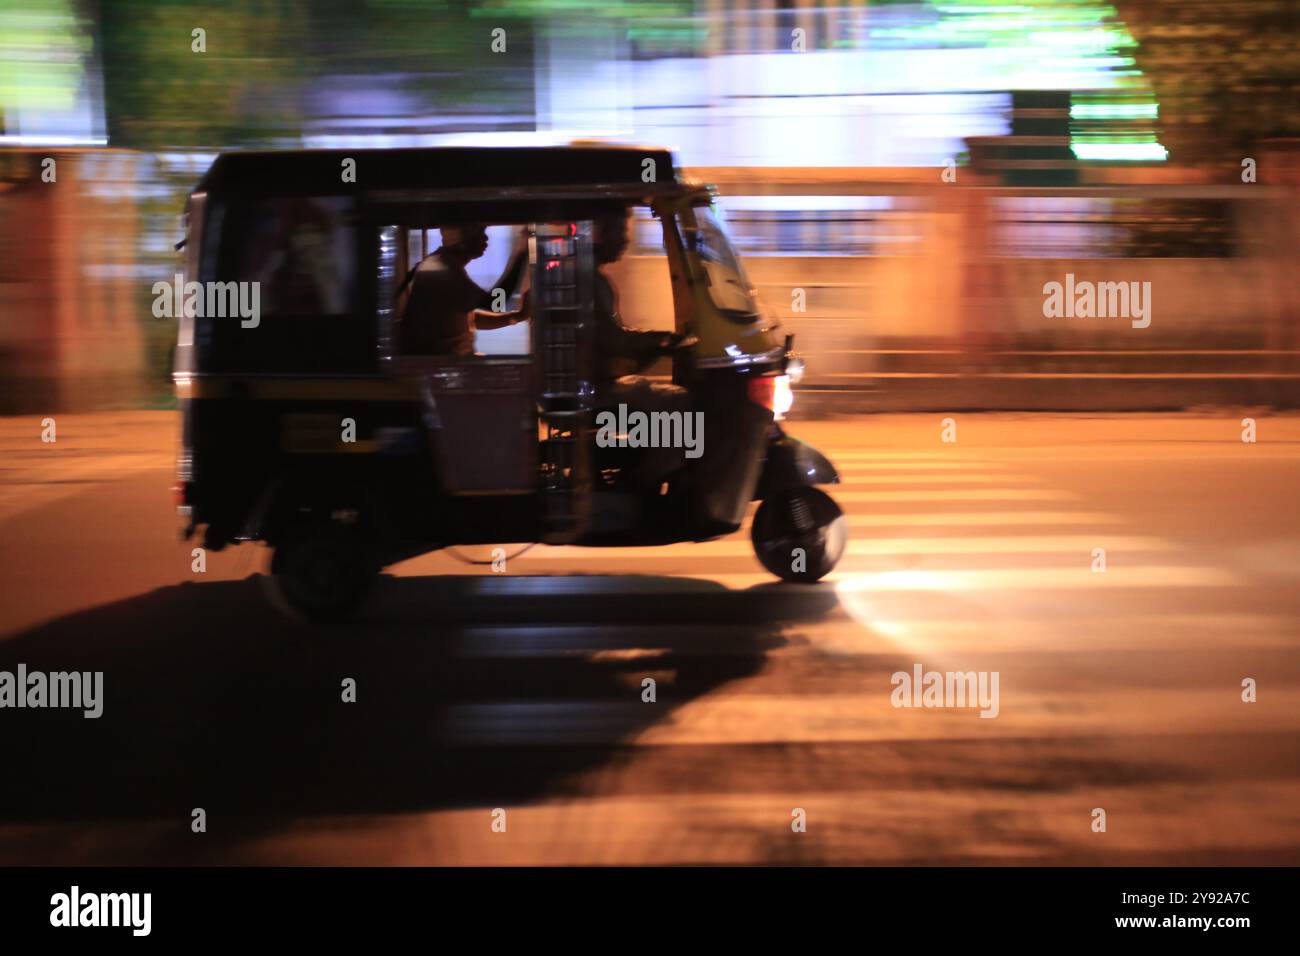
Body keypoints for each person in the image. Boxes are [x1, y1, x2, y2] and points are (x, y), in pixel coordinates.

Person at [589, 211, 695, 488]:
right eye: (621, 233)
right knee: (680, 402)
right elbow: (611, 339)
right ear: (599, 233)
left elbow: (614, 336)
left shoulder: (592, 277)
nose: (625, 242)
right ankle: (642, 482)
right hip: (595, 389)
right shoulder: (590, 280)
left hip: (592, 382)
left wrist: (656, 340)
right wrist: (659, 343)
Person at [396, 223, 527, 356]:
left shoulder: (441, 264)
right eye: (480, 233)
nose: (486, 238)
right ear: (463, 240)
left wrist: (517, 316)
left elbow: (470, 319)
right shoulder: (446, 272)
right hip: (445, 369)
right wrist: (521, 254)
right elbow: (494, 304)